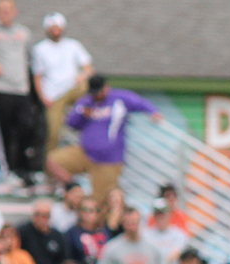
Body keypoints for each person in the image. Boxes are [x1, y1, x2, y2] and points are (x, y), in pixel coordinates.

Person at [46, 74, 162, 205]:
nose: (96, 96)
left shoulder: (120, 98)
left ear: (105, 88)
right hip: (85, 152)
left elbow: (140, 103)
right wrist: (83, 116)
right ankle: (71, 188)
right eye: (93, 93)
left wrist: (154, 112)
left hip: (109, 160)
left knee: (100, 201)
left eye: (98, 92)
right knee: (51, 160)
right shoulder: (86, 102)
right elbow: (71, 123)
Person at [0, 0, 36, 184]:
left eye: (8, 9)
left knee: (26, 126)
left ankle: (23, 167)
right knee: (3, 132)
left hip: (21, 88)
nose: (5, 13)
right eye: (1, 9)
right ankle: (7, 170)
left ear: (15, 11)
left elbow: (30, 59)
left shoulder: (24, 33)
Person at [31, 12, 93, 153]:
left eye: (58, 27)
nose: (56, 30)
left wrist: (82, 75)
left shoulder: (73, 45)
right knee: (52, 134)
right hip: (54, 95)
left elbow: (88, 68)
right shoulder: (40, 49)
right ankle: (50, 167)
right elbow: (37, 76)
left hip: (72, 89)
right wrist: (43, 98)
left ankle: (84, 116)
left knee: (86, 88)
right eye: (52, 28)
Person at [18, 199, 67, 264]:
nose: (41, 218)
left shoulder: (57, 236)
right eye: (37, 214)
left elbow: (62, 260)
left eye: (45, 215)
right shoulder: (22, 232)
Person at [64, 196, 111, 264]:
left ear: (97, 213)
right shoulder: (71, 233)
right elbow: (68, 260)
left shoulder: (105, 231)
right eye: (84, 210)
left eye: (91, 210)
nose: (87, 214)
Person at [142, 200, 188, 264]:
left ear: (169, 214)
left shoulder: (179, 235)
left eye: (163, 213)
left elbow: (175, 254)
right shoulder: (145, 234)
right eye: (158, 214)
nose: (161, 217)